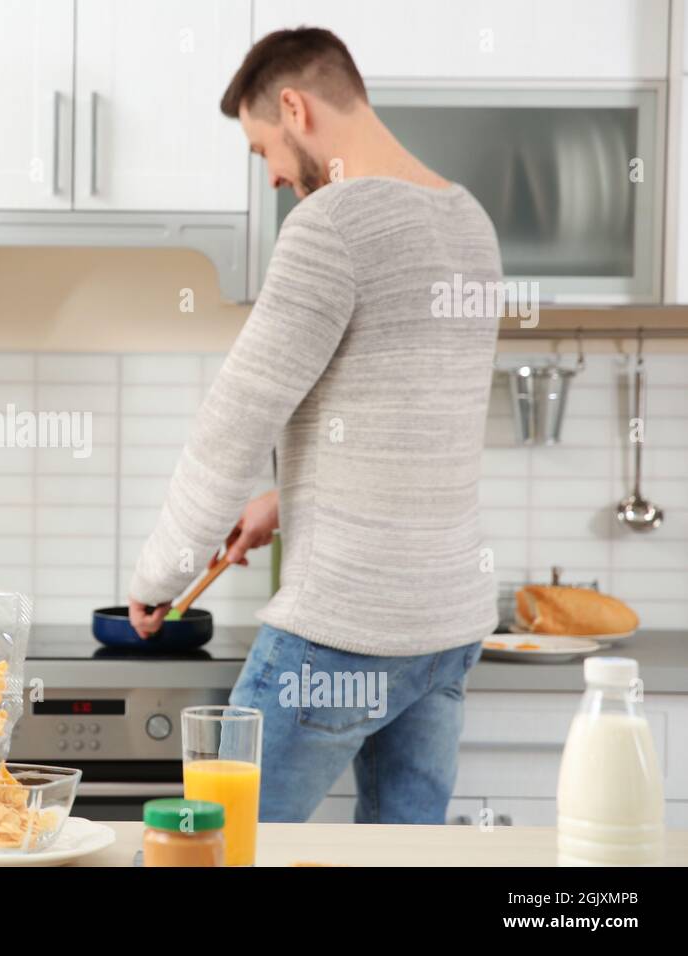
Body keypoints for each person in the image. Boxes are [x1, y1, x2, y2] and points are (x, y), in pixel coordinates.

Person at [128, 27, 503, 824]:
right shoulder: (472, 223)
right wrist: (281, 504)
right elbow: (412, 421)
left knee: (210, 847)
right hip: (446, 634)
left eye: (264, 146)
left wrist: (158, 576)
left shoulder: (332, 224)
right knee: (403, 858)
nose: (270, 176)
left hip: (342, 631)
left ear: (294, 107)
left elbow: (234, 421)